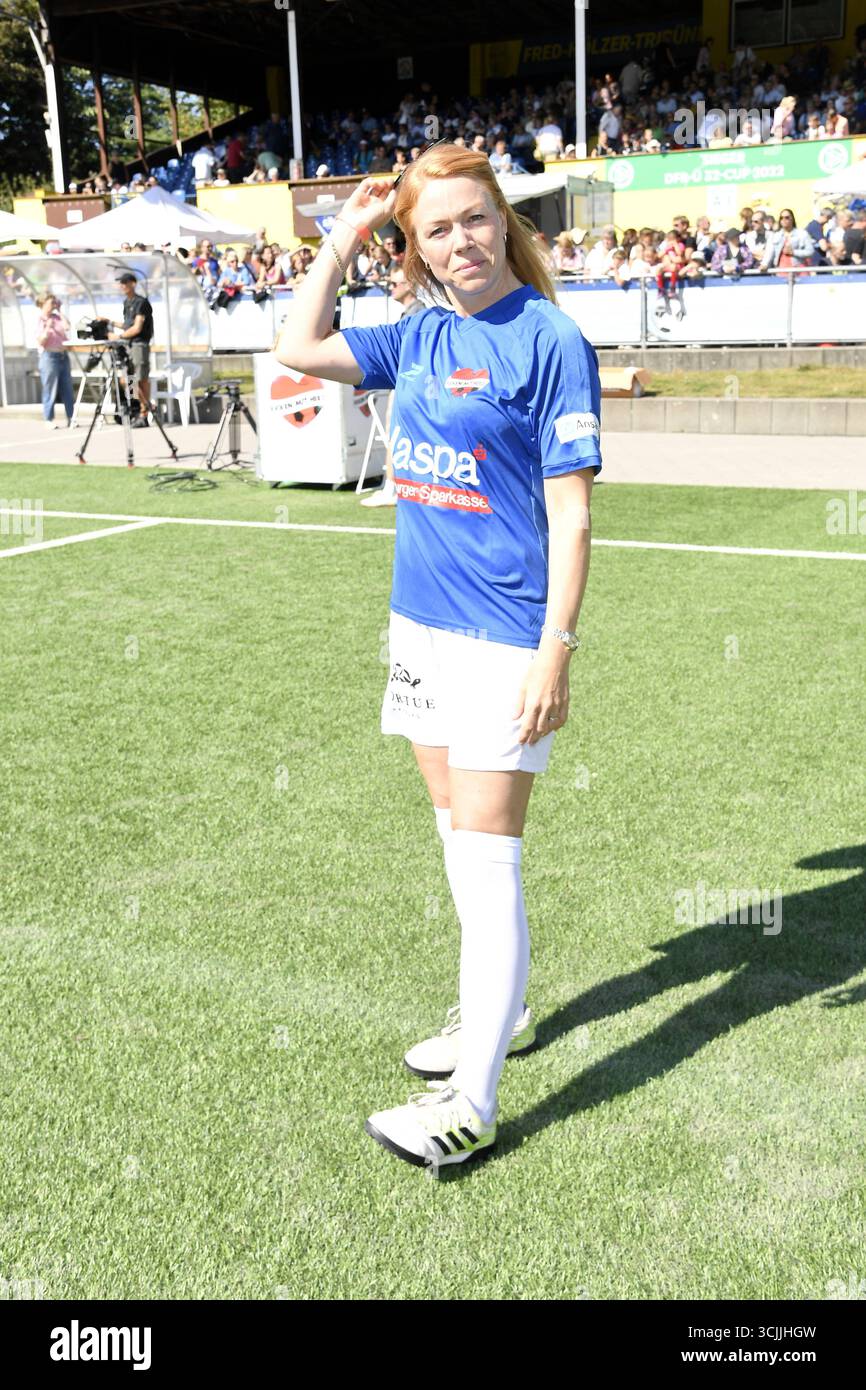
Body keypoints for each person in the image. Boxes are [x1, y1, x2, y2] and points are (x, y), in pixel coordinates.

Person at [274, 145, 601, 1171]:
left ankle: (474, 1098)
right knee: (453, 833)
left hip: (505, 639)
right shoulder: (415, 333)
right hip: (417, 625)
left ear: (502, 220)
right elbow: (298, 344)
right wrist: (342, 235)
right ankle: (485, 1013)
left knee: (489, 852)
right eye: (435, 228)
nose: (460, 241)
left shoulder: (549, 340)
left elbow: (573, 516)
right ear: (410, 246)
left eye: (474, 219)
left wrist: (554, 652)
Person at [107, 273, 154, 426]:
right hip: (130, 344)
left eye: (125, 282)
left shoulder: (141, 302)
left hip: (139, 344)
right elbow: (128, 325)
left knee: (140, 379)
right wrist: (109, 322)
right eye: (121, 283)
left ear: (133, 284)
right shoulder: (127, 302)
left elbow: (137, 328)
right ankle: (144, 407)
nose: (122, 285)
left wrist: (119, 337)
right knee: (128, 379)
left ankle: (144, 412)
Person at [35, 293, 74, 429]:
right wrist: (47, 327)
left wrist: (60, 312)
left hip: (63, 355)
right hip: (49, 357)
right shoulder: (40, 319)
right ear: (43, 304)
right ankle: (49, 418)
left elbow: (67, 327)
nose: (53, 305)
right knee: (50, 389)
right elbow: (40, 340)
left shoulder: (57, 317)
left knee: (67, 388)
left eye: (54, 303)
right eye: (51, 303)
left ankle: (71, 417)